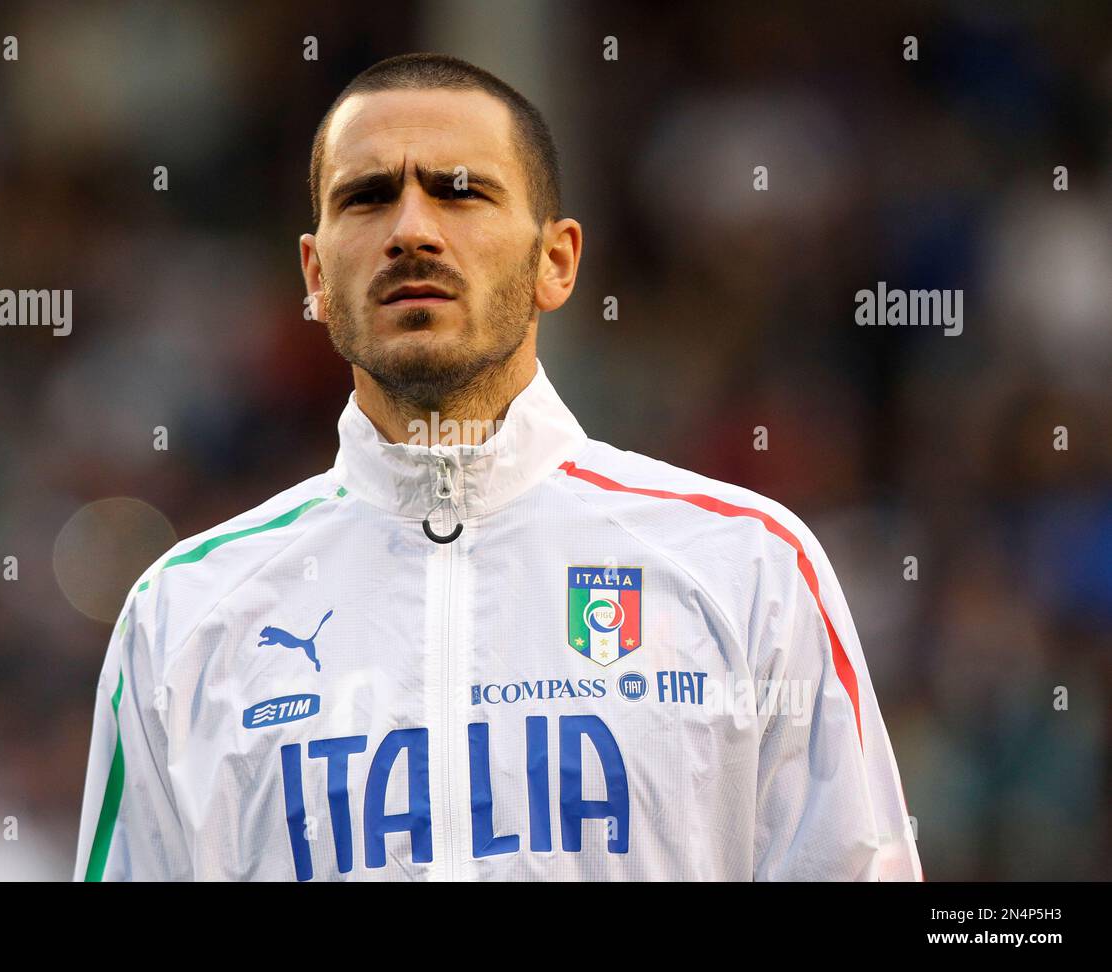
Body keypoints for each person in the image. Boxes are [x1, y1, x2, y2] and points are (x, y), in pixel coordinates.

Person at [74, 52, 922, 881]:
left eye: (459, 191)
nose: (411, 230)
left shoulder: (748, 567)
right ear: (316, 277)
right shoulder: (181, 618)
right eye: (367, 197)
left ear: (555, 261)